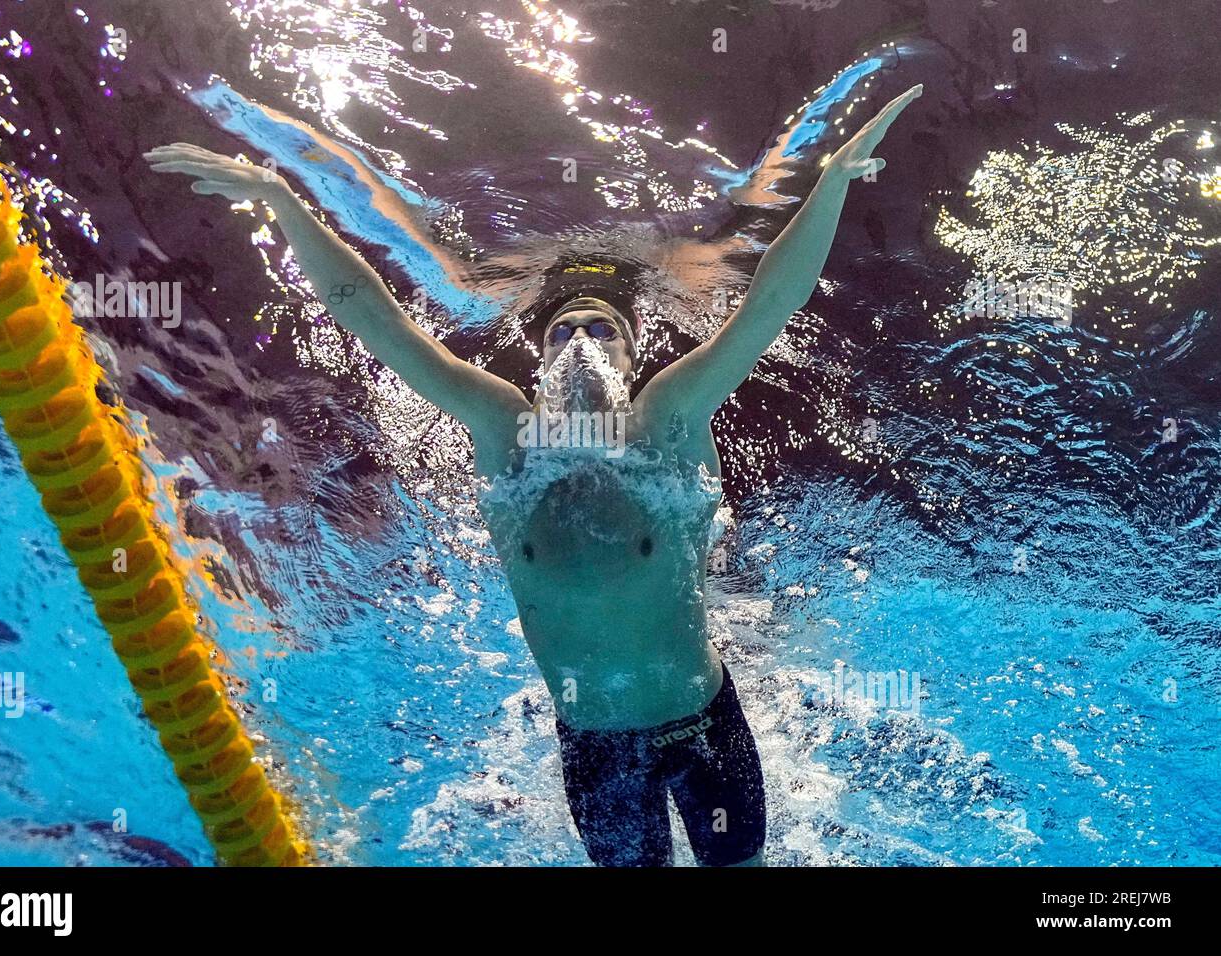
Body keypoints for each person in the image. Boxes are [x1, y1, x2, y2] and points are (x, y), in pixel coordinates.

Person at [143, 83, 921, 866]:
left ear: (631, 354)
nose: (582, 337)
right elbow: (376, 321)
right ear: (543, 358)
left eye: (603, 328)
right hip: (595, 746)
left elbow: (768, 305)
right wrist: (279, 195)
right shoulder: (506, 433)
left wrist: (830, 185)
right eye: (564, 329)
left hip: (702, 723)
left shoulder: (667, 419)